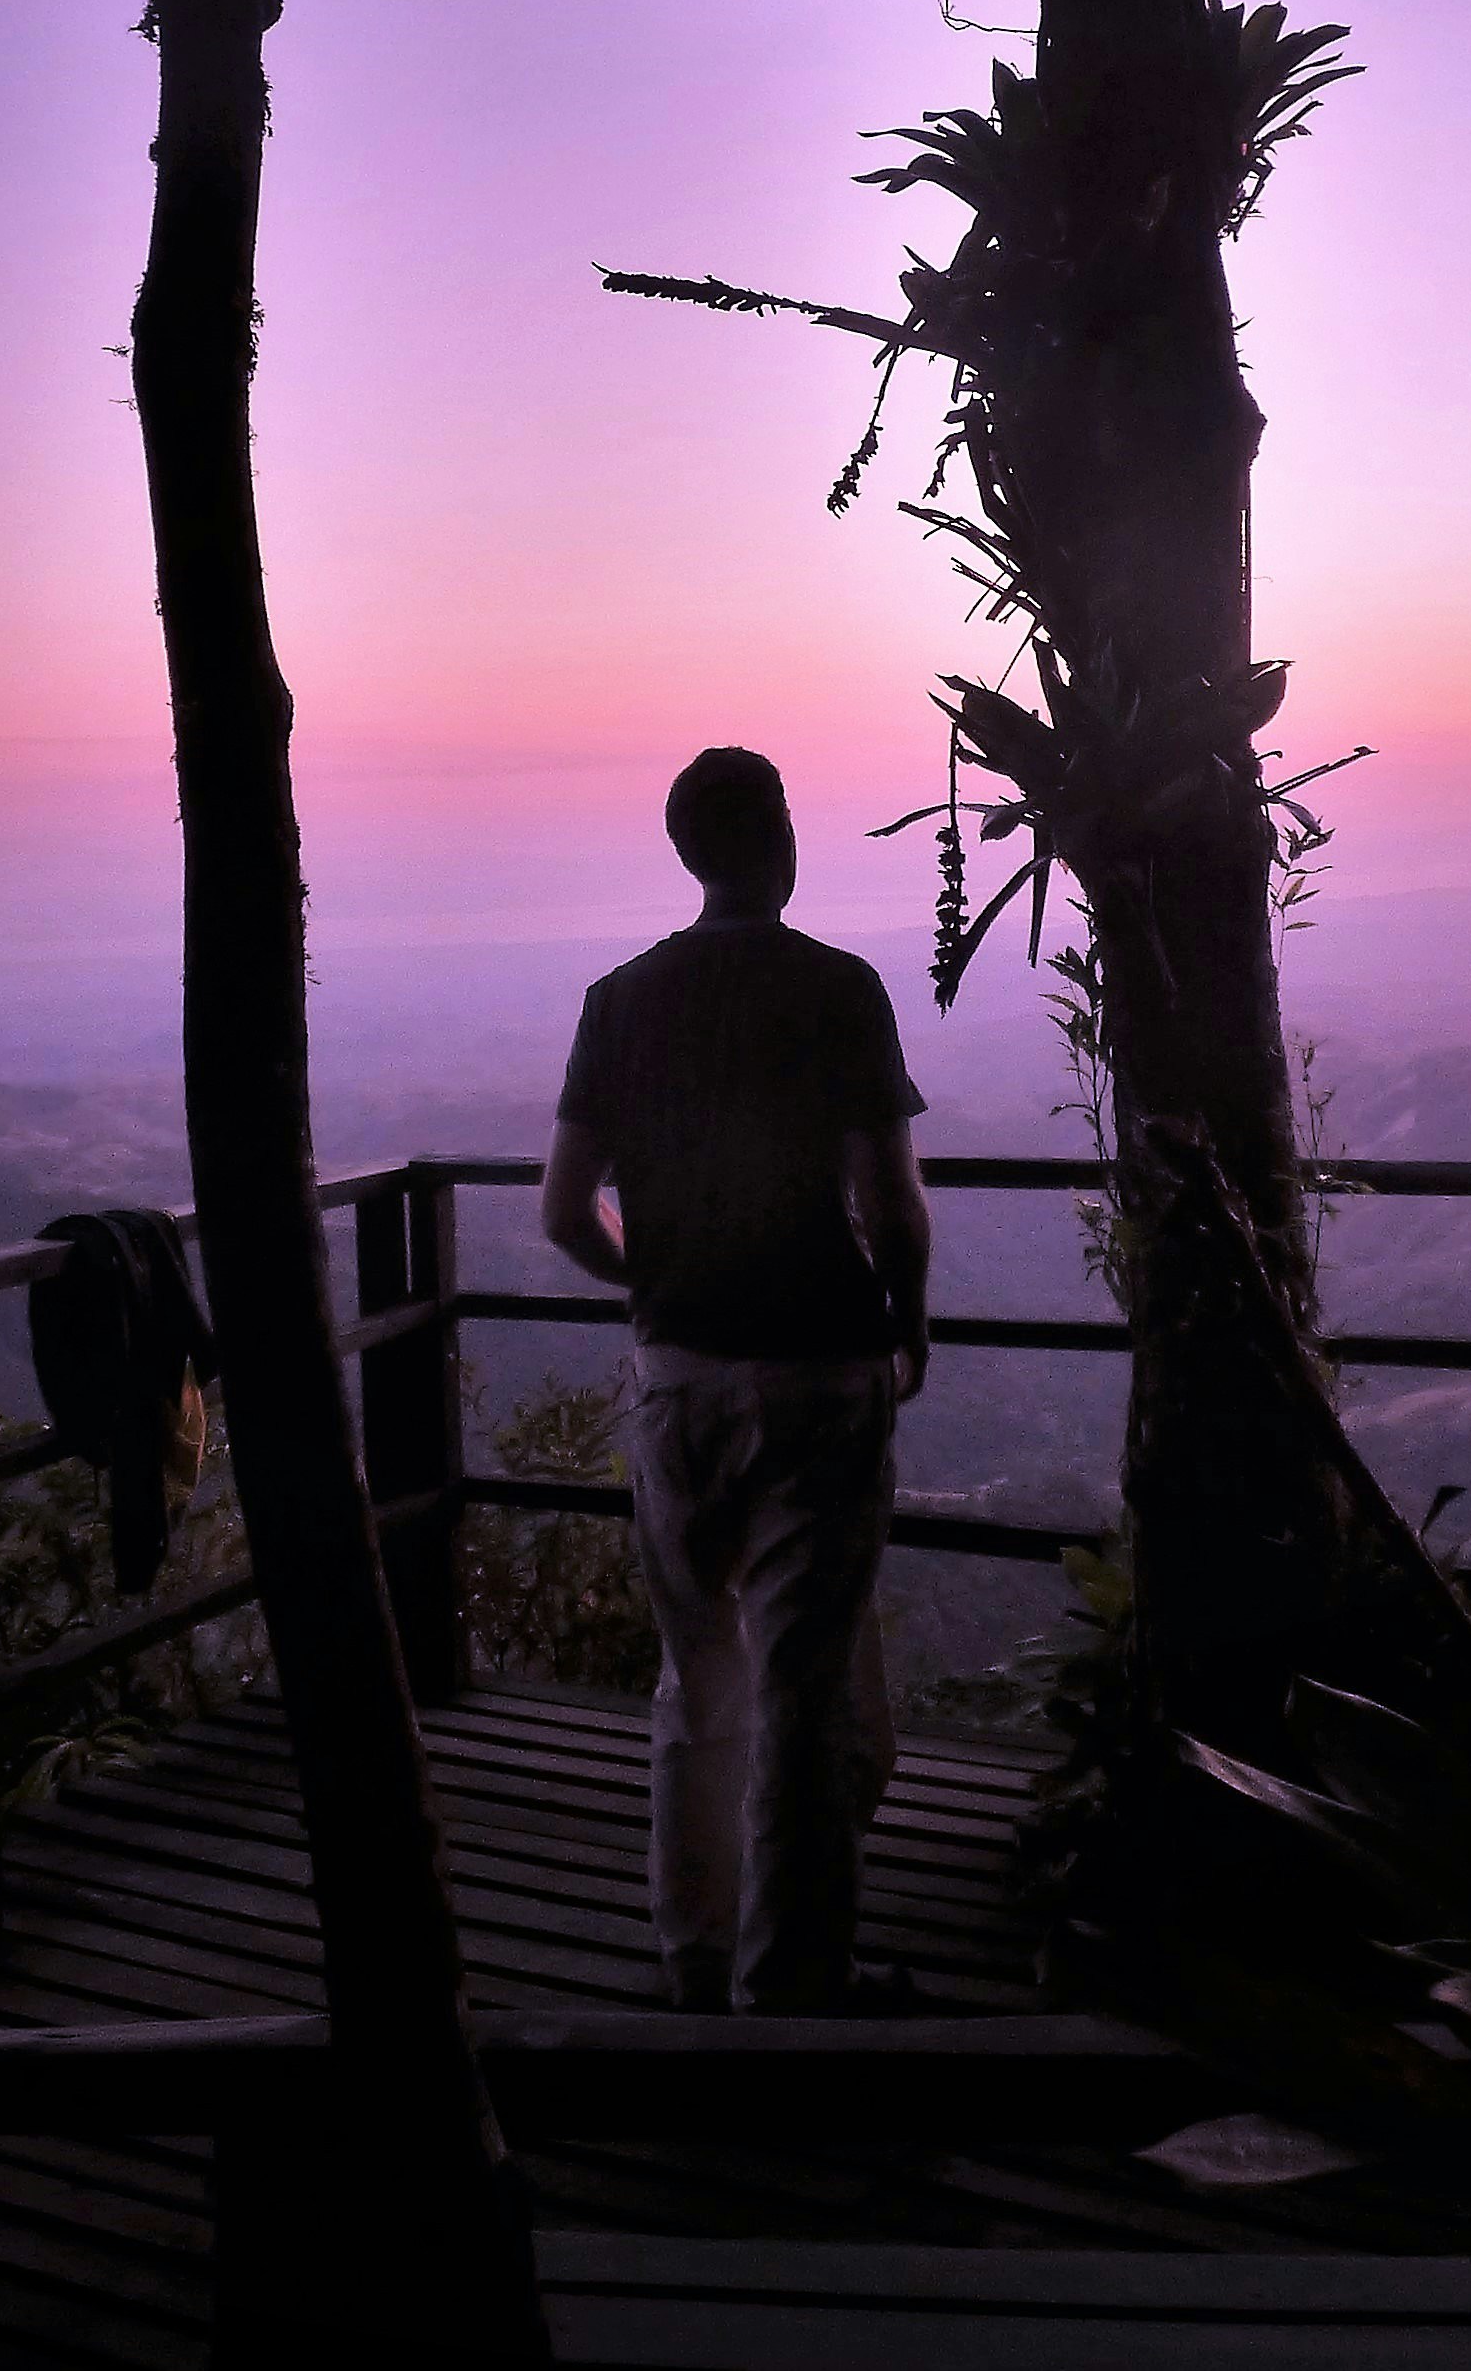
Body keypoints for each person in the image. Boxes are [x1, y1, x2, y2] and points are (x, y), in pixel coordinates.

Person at [539, 746, 933, 2014]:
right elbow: (891, 1203)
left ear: (689, 853)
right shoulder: (838, 988)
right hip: (817, 1375)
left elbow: (563, 1214)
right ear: (782, 841)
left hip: (676, 1377)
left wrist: (657, 1280)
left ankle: (694, 1949)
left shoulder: (617, 1001)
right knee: (805, 1696)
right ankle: (790, 1986)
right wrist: (909, 1320)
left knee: (696, 1674)